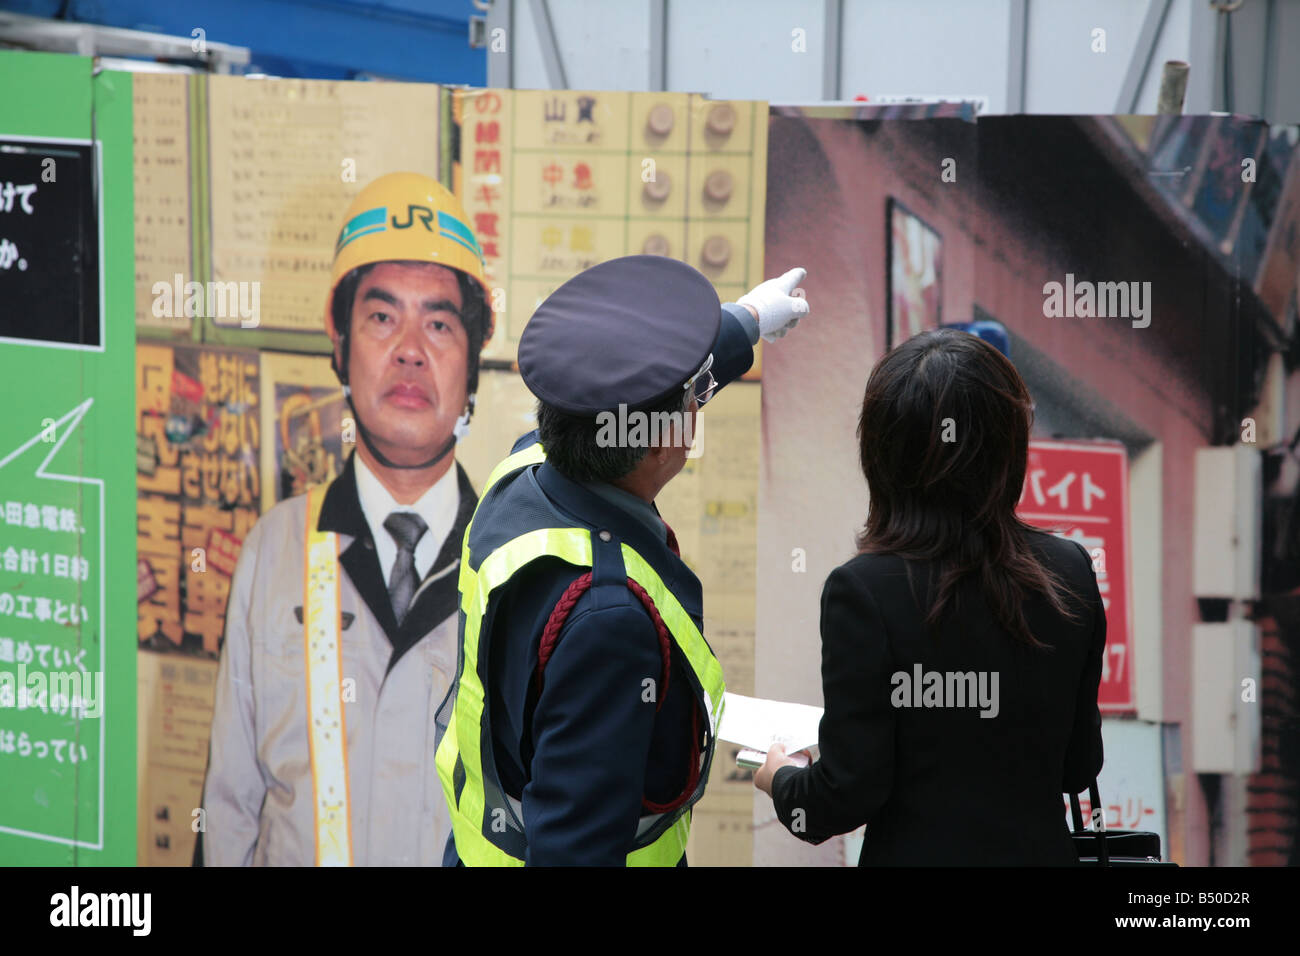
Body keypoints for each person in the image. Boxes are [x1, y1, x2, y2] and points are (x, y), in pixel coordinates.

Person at [436, 256, 810, 865]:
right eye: (696, 396)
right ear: (667, 438)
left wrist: (747, 320)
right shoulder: (609, 621)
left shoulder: (524, 471)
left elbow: (627, 386)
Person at [198, 172, 493, 865]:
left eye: (441, 322)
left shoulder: (518, 568)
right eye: (382, 317)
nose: (411, 349)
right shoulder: (273, 551)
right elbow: (229, 805)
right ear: (340, 341)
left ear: (473, 357)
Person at [753, 327, 1106, 865]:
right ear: (1010, 445)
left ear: (880, 452)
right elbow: (1079, 767)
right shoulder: (1070, 571)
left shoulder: (863, 591)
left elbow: (838, 801)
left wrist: (779, 774)